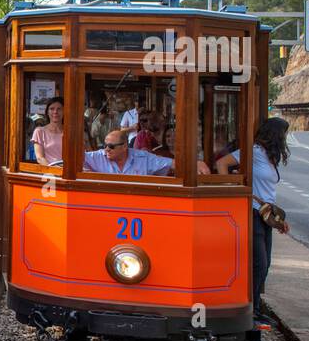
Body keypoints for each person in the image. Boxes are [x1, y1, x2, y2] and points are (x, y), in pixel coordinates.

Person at [215, 117, 291, 327]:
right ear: (276, 134)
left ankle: (255, 307)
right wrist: (231, 191)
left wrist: (279, 220)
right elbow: (222, 163)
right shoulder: (255, 152)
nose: (286, 138)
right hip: (252, 213)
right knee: (260, 263)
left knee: (264, 264)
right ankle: (251, 309)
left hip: (265, 214)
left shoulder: (269, 156)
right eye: (284, 134)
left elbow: (269, 191)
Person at [83, 129, 212, 177]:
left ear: (124, 147)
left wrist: (195, 164)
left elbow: (171, 164)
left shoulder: (142, 158)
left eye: (111, 146)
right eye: (104, 145)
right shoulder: (99, 156)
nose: (106, 149)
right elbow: (73, 159)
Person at [31, 96, 65, 165]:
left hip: (68, 173)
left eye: (59, 109)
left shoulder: (71, 132)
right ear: (47, 112)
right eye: (52, 109)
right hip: (50, 173)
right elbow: (40, 158)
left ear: (64, 111)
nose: (55, 112)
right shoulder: (39, 131)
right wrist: (54, 170)